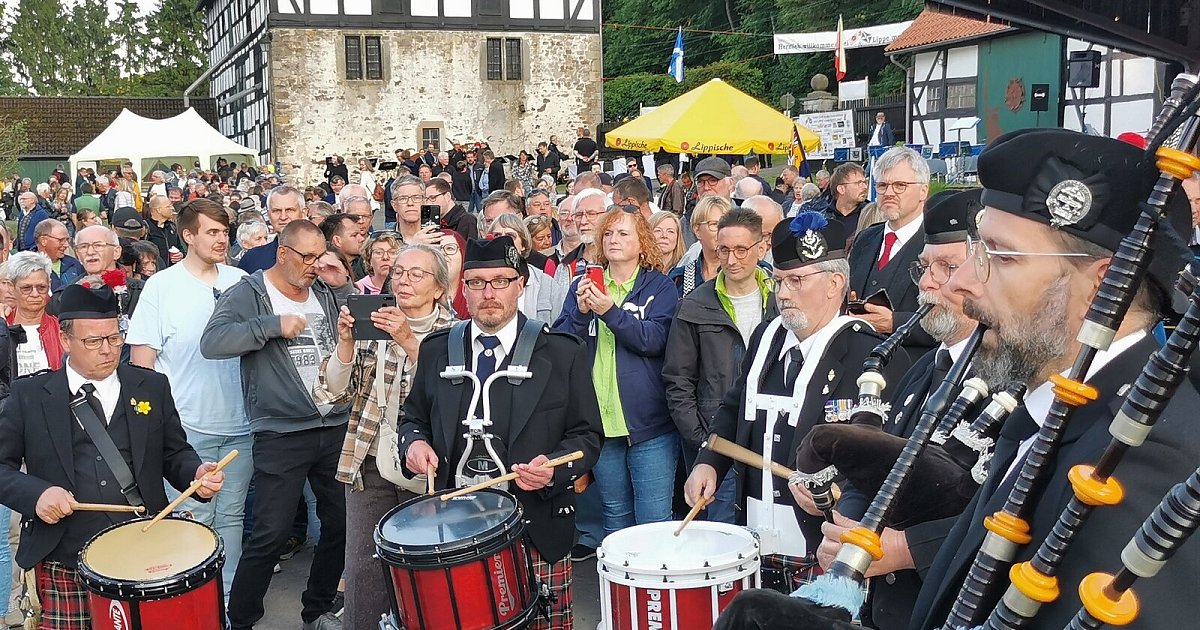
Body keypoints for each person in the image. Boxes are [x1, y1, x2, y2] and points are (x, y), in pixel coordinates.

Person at [889, 129, 1200, 630]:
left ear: (1105, 287)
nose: (960, 281)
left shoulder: (1141, 461)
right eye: (976, 250)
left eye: (1002, 255)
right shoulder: (1050, 412)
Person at [684, 212, 910, 594]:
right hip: (753, 534)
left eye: (796, 281)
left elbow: (884, 455)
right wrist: (710, 461)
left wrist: (835, 490)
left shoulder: (871, 355)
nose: (783, 293)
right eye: (778, 281)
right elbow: (733, 407)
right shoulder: (766, 339)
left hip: (820, 539)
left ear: (835, 283)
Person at [399, 235, 602, 630]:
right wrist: (415, 443)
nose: (488, 293)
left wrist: (555, 470)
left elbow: (587, 438)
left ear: (521, 284)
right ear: (464, 288)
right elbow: (412, 418)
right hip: (453, 526)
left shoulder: (562, 352)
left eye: (500, 281)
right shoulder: (437, 348)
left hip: (537, 524)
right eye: (476, 282)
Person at [804, 189, 983, 630]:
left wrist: (908, 548)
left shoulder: (1013, 382)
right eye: (926, 266)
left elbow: (1010, 512)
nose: (926, 283)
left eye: (949, 266)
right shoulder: (925, 367)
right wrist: (846, 513)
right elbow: (891, 469)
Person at [0, 283, 225, 630]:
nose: (107, 350)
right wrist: (37, 495)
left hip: (145, 550)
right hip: (64, 556)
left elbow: (174, 452)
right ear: (65, 340)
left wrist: (196, 474)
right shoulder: (29, 395)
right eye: (93, 341)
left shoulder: (151, 386)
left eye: (115, 338)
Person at [201, 220, 354, 630]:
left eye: (320, 256)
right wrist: (271, 326)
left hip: (334, 422)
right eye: (307, 257)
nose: (314, 265)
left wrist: (342, 286)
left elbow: (357, 334)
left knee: (339, 523)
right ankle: (243, 619)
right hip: (282, 431)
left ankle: (317, 610)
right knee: (271, 532)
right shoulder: (250, 292)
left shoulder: (324, 287)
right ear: (282, 253)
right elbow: (213, 342)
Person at [313, 243, 455, 630]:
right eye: (399, 273)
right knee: (363, 570)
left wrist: (409, 341)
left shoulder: (455, 333)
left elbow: (450, 396)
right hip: (368, 461)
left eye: (417, 274)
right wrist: (345, 342)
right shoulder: (371, 325)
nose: (404, 281)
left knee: (424, 569)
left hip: (427, 467)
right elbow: (330, 393)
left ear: (440, 289)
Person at [127, 198, 251, 606]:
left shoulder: (240, 279)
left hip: (242, 423)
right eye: (211, 231)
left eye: (225, 231)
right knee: (195, 516)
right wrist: (149, 425)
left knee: (233, 516)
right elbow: (142, 362)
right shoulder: (161, 287)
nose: (221, 239)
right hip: (186, 426)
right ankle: (194, 599)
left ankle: (228, 601)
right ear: (188, 235)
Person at [554, 208, 680, 536]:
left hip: (650, 425)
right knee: (615, 517)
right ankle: (620, 589)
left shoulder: (660, 286)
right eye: (608, 233)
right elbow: (561, 345)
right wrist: (582, 314)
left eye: (623, 234)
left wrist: (609, 311)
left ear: (642, 244)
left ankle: (654, 588)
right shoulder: (583, 284)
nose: (613, 240)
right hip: (600, 423)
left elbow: (655, 340)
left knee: (654, 522)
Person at [664, 208, 776, 525]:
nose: (731, 259)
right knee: (722, 531)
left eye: (741, 250)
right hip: (715, 436)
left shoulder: (781, 299)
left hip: (770, 437)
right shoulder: (693, 305)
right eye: (723, 249)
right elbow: (678, 381)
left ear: (761, 247)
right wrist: (704, 442)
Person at [847, 147, 935, 356]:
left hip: (911, 368)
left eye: (900, 186)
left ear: (923, 190)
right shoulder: (865, 238)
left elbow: (959, 319)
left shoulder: (937, 244)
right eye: (882, 185)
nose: (889, 193)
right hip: (856, 363)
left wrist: (895, 323)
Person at [486, 213, 565, 324]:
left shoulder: (547, 284)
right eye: (497, 236)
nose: (503, 241)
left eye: (510, 236)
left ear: (523, 244)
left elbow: (560, 328)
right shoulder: (480, 283)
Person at [5, 252, 65, 376]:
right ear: (11, 287)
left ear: (49, 284)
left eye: (41, 287)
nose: (35, 294)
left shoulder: (61, 330)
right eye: (26, 288)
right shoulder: (3, 326)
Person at [670, 196, 732, 297]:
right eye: (714, 224)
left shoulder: (749, 271)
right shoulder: (680, 278)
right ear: (697, 230)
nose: (722, 231)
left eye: (727, 224)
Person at [239, 186, 307, 273]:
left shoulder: (320, 256)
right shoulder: (252, 259)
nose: (283, 217)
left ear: (303, 213)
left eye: (289, 210)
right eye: (277, 211)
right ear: (268, 215)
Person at [34, 220, 83, 291]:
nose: (66, 245)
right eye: (61, 240)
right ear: (43, 240)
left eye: (67, 240)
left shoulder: (74, 265)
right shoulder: (28, 268)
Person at [144, 195, 186, 267]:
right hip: (153, 272)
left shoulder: (172, 227)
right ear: (159, 210)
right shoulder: (146, 227)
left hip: (172, 271)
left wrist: (181, 254)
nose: (172, 208)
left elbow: (180, 247)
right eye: (168, 206)